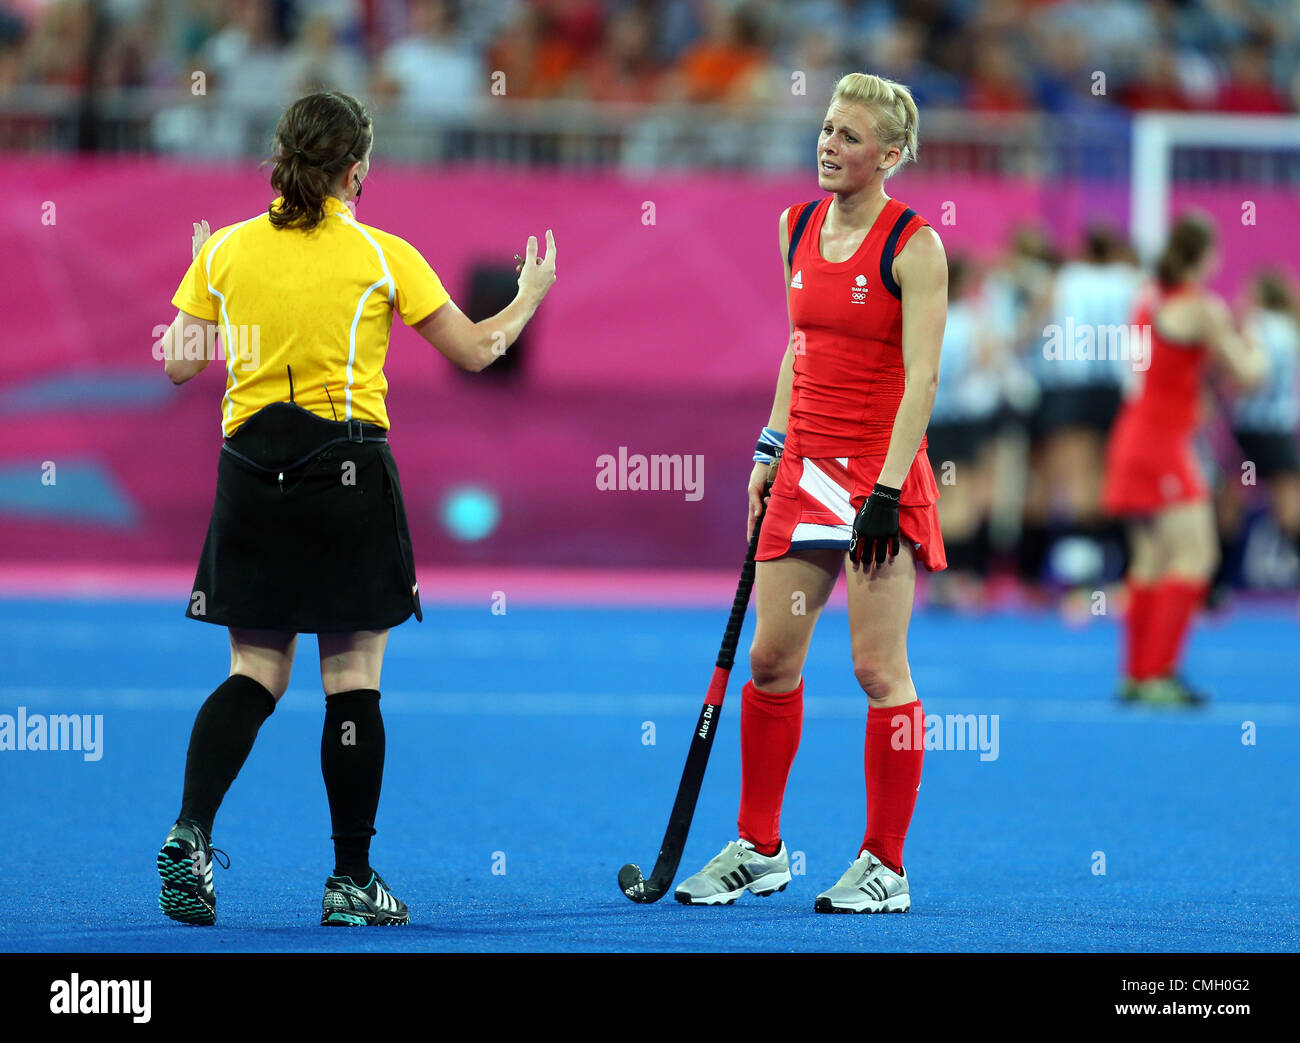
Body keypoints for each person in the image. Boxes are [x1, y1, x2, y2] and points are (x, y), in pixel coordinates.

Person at [154, 90, 556, 926]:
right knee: (351, 683)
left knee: (255, 674)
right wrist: (529, 295)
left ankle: (191, 831)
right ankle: (350, 879)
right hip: (345, 473)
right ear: (354, 169)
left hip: (248, 473)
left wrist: (199, 278)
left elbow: (179, 365)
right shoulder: (380, 254)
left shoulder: (225, 250)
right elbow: (479, 350)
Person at [675, 72, 947, 913]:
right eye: (827, 129)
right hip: (803, 471)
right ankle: (760, 846)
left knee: (876, 667)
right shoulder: (793, 225)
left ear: (890, 155)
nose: (828, 145)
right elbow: (801, 348)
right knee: (770, 659)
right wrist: (769, 445)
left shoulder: (916, 245)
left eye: (849, 137)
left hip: (877, 478)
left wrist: (889, 489)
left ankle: (886, 864)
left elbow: (924, 379)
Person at [1102, 214, 1262, 706]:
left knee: (1151, 558)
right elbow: (1251, 373)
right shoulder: (1203, 308)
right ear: (1205, 256)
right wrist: (1254, 335)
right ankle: (1159, 676)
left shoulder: (1149, 298)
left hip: (1133, 435)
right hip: (1162, 446)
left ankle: (1137, 675)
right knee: (1196, 556)